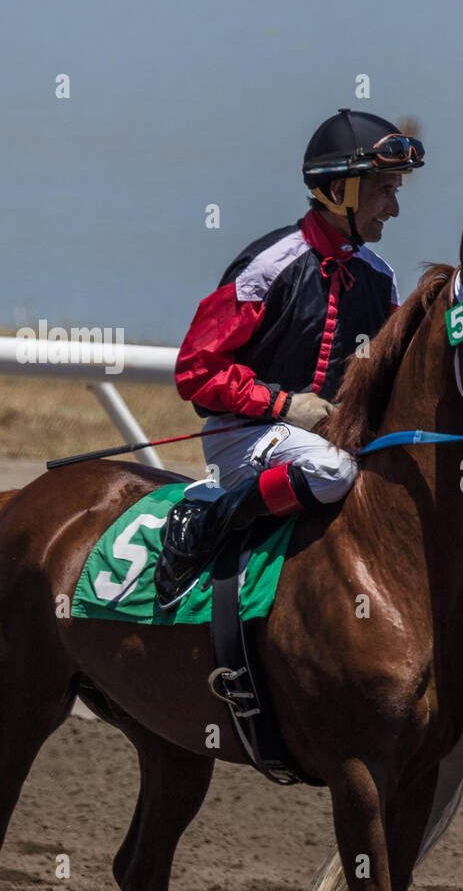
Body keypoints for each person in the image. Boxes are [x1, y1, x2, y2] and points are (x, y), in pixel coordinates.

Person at [153, 109, 424, 607]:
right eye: (384, 191)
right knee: (333, 473)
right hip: (244, 436)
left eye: (395, 192)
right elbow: (196, 371)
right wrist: (283, 406)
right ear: (339, 190)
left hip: (329, 438)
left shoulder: (379, 277)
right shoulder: (270, 265)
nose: (394, 209)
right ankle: (205, 519)